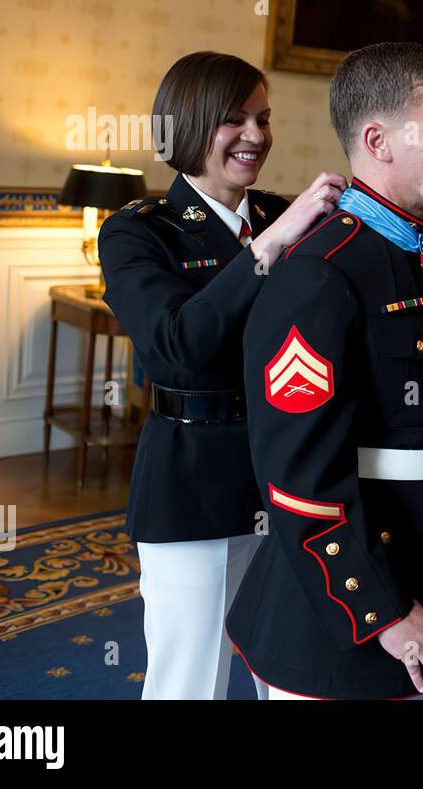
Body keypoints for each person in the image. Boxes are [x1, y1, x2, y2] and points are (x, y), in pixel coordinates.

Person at [225, 42, 423, 700]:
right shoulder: (321, 274)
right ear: (378, 140)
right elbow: (297, 478)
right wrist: (379, 611)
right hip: (341, 615)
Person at [98, 51, 347, 699]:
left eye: (264, 118)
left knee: (291, 674)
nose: (257, 136)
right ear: (188, 124)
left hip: (291, 477)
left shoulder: (283, 215)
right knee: (191, 681)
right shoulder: (138, 233)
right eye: (234, 120)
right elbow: (176, 345)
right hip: (192, 483)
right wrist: (269, 248)